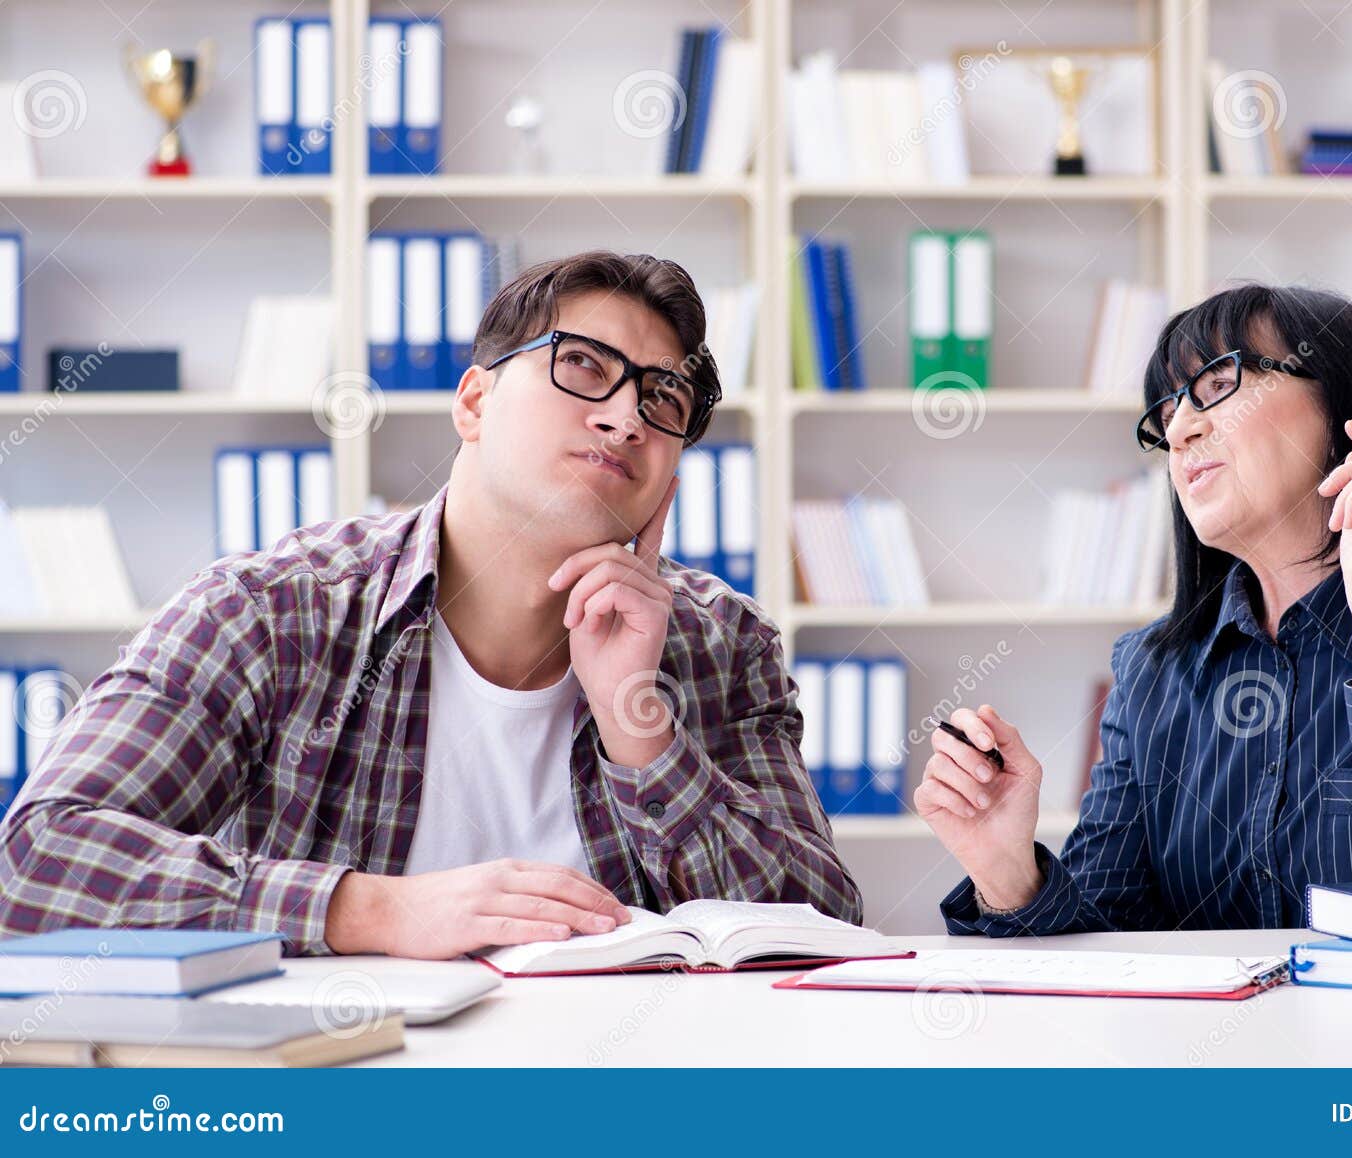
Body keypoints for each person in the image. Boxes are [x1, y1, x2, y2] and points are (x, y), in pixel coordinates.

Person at [0, 250, 861, 956]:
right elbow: (34, 864)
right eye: (584, 367)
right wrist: (371, 912)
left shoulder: (719, 643)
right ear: (475, 401)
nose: (625, 419)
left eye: (661, 399)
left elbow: (823, 930)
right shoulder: (271, 613)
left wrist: (641, 732)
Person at [917, 283, 1352, 935]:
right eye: (1168, 409)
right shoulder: (1153, 669)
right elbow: (1106, 947)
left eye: (1218, 383)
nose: (1180, 428)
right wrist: (1007, 872)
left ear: (1342, 398)